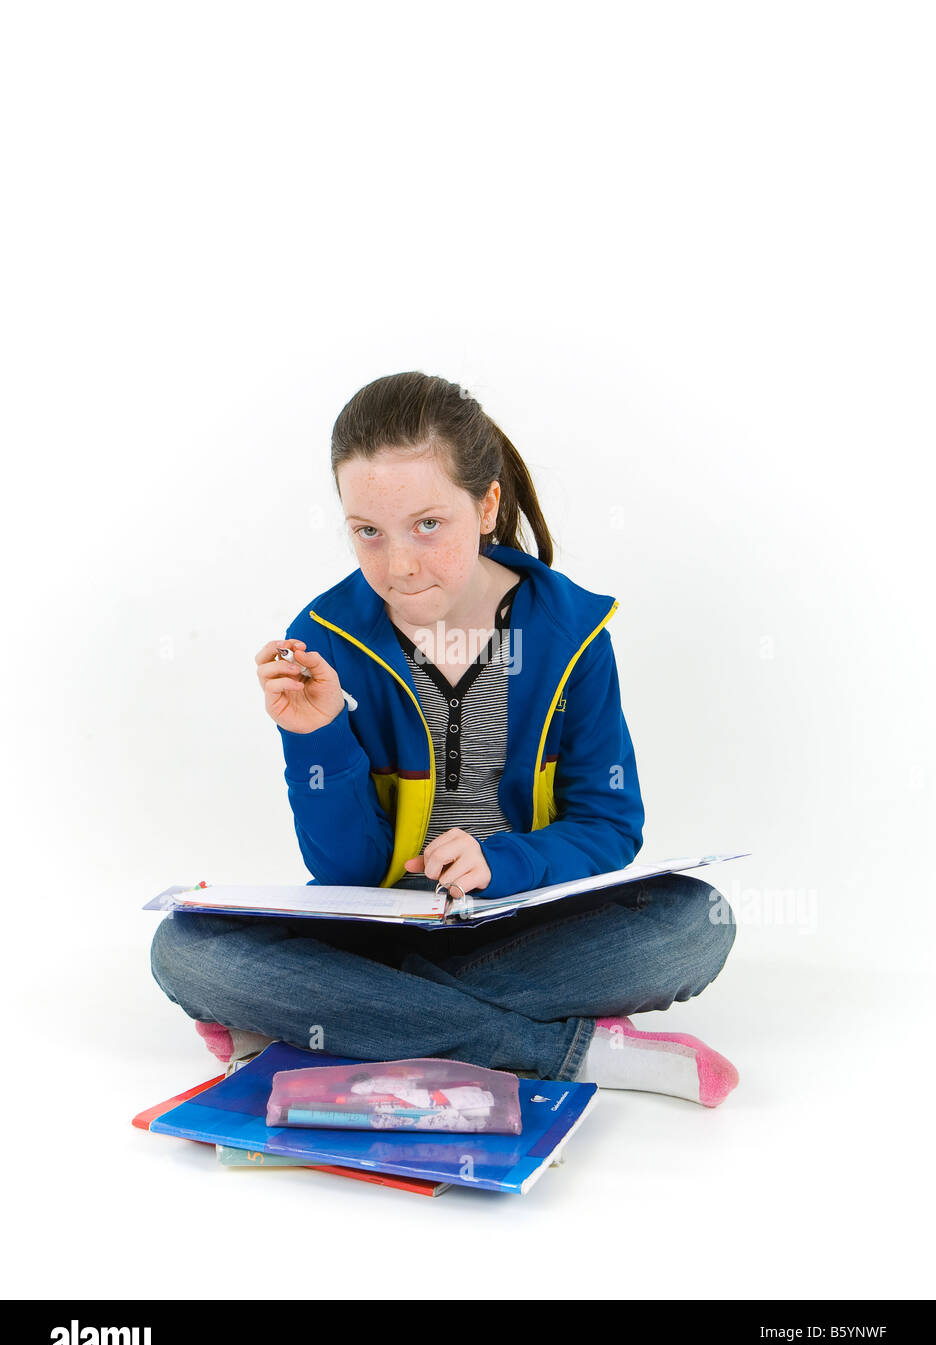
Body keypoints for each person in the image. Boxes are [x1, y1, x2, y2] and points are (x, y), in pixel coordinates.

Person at [150, 372, 739, 1106]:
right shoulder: (324, 641)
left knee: (692, 922)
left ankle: (327, 1022)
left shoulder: (571, 635)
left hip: (533, 931)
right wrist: (319, 736)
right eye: (368, 531)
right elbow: (346, 872)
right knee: (186, 951)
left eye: (428, 525)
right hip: (380, 933)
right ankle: (566, 1051)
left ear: (486, 504)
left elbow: (611, 827)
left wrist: (502, 860)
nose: (398, 565)